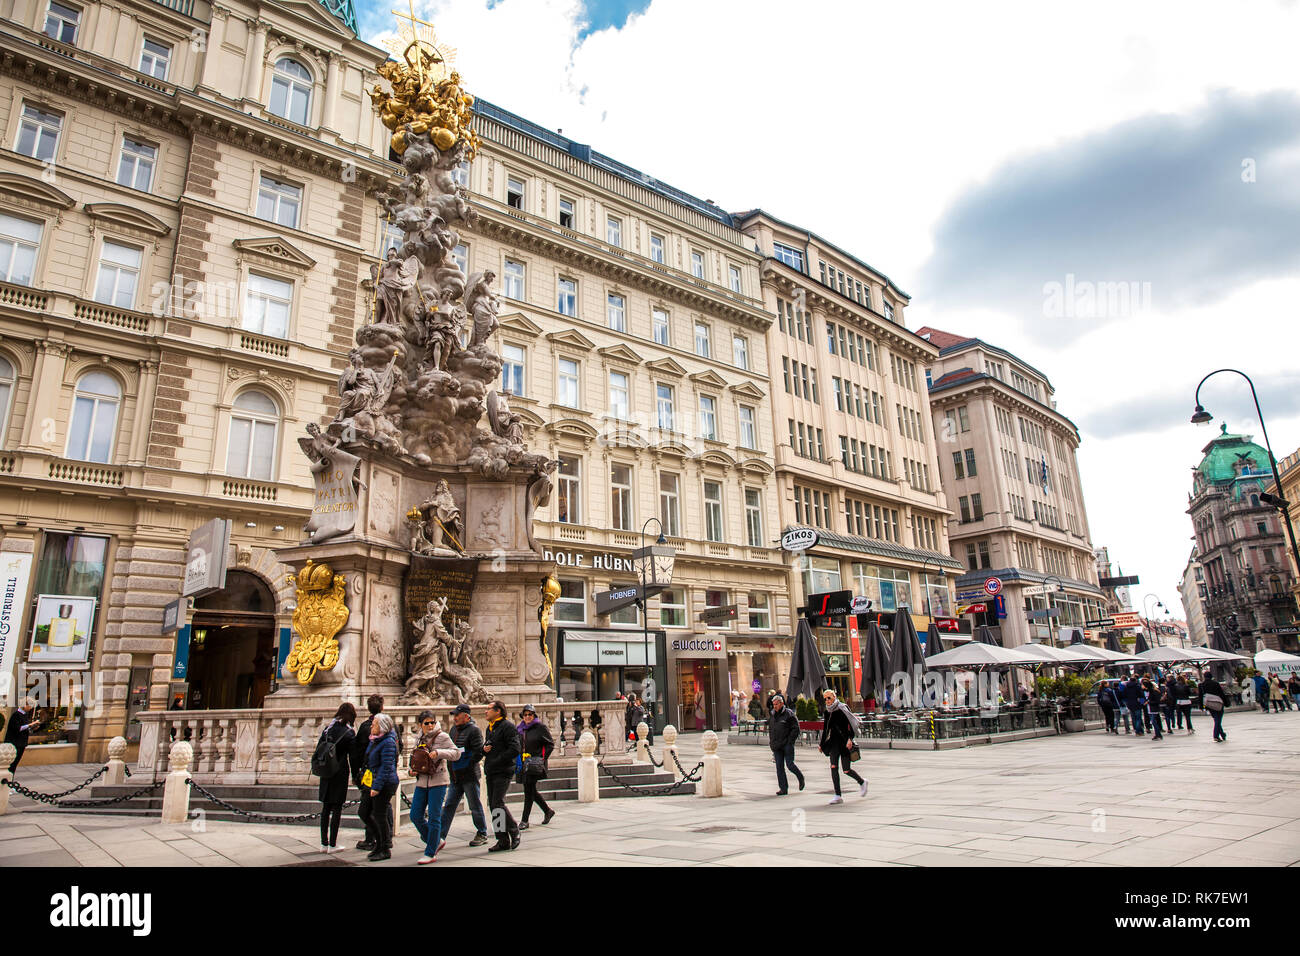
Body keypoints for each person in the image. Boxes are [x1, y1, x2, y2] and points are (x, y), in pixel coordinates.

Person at [407, 711, 460, 865]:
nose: (430, 726)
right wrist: (412, 770)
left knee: (434, 817)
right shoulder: (418, 739)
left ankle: (430, 852)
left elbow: (457, 753)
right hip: (422, 781)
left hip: (438, 781)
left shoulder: (442, 736)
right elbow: (415, 759)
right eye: (426, 723)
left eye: (432, 722)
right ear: (420, 725)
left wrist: (439, 753)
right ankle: (435, 840)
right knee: (415, 815)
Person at [439, 704, 488, 849]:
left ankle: (482, 832)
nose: (454, 718)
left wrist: (466, 763)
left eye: (457, 715)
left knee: (474, 804)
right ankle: (440, 835)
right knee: (449, 806)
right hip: (455, 775)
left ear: (466, 716)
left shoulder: (474, 730)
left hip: (469, 775)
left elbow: (478, 752)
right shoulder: (454, 729)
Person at [482, 699, 521, 852]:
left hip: (503, 770)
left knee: (498, 802)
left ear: (498, 711)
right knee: (493, 806)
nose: (486, 711)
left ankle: (514, 829)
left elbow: (514, 748)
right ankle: (502, 839)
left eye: (489, 709)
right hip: (492, 770)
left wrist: (499, 760)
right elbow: (488, 747)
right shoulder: (490, 728)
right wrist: (484, 750)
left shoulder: (508, 727)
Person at [316, 702, 355, 853]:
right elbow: (353, 755)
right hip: (340, 772)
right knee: (337, 808)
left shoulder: (328, 729)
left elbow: (319, 748)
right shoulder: (349, 733)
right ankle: (333, 844)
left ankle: (323, 843)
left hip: (326, 770)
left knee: (326, 807)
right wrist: (356, 774)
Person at [361, 713, 399, 861]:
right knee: (364, 812)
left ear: (382, 727)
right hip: (372, 781)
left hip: (384, 783)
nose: (371, 726)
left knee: (380, 815)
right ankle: (379, 842)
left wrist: (377, 787)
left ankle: (384, 848)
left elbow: (387, 767)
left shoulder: (388, 742)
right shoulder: (375, 740)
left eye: (375, 724)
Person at [819, 688, 866, 804]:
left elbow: (851, 725)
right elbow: (826, 729)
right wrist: (821, 744)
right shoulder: (827, 712)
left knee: (846, 770)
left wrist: (850, 739)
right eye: (825, 699)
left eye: (829, 698)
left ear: (834, 697)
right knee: (833, 767)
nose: (827, 701)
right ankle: (837, 795)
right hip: (833, 744)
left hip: (844, 743)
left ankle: (862, 782)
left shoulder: (842, 708)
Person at [351, 694, 385, 852]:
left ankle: (375, 840)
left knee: (369, 810)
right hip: (375, 775)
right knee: (380, 809)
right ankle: (384, 839)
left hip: (373, 775)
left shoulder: (367, 727)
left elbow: (357, 753)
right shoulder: (386, 729)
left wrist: (356, 773)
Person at [516, 704, 555, 830]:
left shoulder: (540, 727)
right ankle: (547, 811)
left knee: (528, 791)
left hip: (534, 764)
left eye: (530, 715)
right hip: (523, 763)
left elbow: (550, 744)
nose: (527, 717)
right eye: (525, 715)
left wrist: (541, 758)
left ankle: (524, 820)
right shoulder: (520, 729)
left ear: (534, 715)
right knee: (531, 790)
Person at [767, 693, 804, 795]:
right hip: (777, 745)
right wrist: (772, 743)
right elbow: (771, 729)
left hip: (786, 744)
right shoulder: (773, 715)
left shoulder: (789, 714)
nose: (775, 706)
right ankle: (783, 788)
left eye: (776, 704)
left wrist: (790, 741)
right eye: (773, 704)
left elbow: (796, 728)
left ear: (782, 703)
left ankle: (800, 777)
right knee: (779, 767)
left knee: (790, 765)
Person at [3, 697, 39, 774]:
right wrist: (30, 725)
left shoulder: (24, 715)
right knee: (11, 765)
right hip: (15, 743)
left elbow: (24, 729)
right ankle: (7, 780)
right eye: (30, 706)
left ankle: (10, 780)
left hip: (21, 743)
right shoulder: (16, 715)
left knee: (15, 764)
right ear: (25, 705)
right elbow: (17, 728)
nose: (31, 708)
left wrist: (33, 727)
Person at [1200, 670, 1229, 742]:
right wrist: (1226, 703)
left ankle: (1222, 734)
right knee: (1218, 719)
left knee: (1216, 719)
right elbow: (1221, 694)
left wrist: (1202, 707)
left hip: (1209, 704)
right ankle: (1215, 735)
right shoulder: (1215, 683)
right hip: (1218, 703)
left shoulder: (1201, 685)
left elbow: (1200, 696)